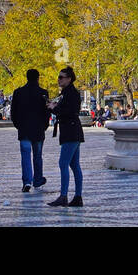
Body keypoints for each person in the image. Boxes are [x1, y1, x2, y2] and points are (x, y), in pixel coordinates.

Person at [46, 66, 84, 207]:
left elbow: (69, 111)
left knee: (63, 163)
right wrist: (55, 105)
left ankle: (64, 196)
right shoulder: (67, 92)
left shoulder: (71, 93)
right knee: (74, 165)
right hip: (72, 131)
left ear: (69, 79)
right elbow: (66, 109)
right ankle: (78, 197)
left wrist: (54, 108)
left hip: (71, 132)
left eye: (61, 77)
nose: (59, 79)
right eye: (58, 77)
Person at [11, 69, 50, 193]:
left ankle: (27, 181)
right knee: (37, 156)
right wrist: (44, 126)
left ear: (26, 78)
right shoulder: (43, 93)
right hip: (38, 130)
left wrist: (19, 126)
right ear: (38, 78)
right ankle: (37, 179)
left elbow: (13, 113)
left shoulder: (18, 93)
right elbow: (47, 112)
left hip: (24, 129)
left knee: (25, 156)